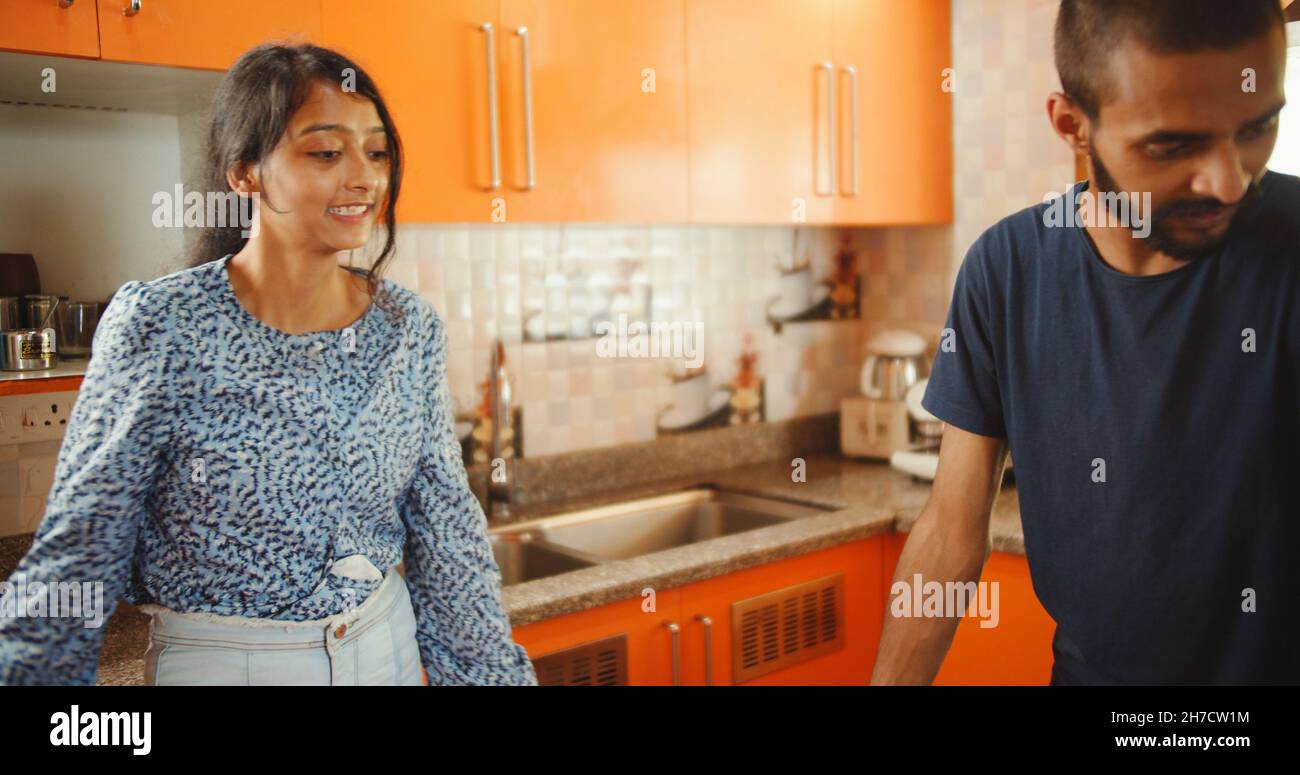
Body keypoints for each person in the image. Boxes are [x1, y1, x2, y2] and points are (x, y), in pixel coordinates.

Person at [0, 43, 538, 686]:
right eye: (325, 152)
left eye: (376, 151)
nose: (363, 177)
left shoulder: (407, 328)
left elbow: (447, 536)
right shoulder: (163, 325)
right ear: (245, 173)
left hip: (385, 650)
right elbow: (79, 553)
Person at [872, 0, 1299, 685]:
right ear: (1072, 125)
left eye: (1258, 126)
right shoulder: (1006, 271)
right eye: (1173, 143)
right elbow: (951, 532)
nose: (1227, 180)